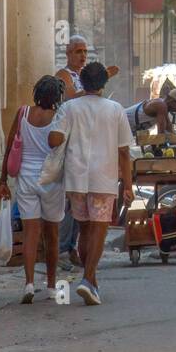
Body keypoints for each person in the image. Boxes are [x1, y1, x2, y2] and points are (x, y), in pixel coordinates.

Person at [48, 62, 134, 305]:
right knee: (99, 228)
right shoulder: (115, 109)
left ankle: (91, 281)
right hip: (103, 177)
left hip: (76, 178)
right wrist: (127, 185)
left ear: (81, 82)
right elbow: (124, 151)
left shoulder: (69, 108)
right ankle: (87, 279)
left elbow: (55, 138)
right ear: (104, 84)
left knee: (84, 229)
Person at [0, 76, 65, 304]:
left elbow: (9, 146)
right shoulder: (59, 116)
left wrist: (2, 181)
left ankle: (28, 284)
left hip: (25, 178)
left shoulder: (23, 113)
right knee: (52, 235)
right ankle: (51, 286)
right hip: (51, 180)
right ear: (57, 96)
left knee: (30, 234)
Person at [56, 36, 120, 102]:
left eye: (85, 51)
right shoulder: (63, 74)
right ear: (68, 54)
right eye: (79, 51)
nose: (83, 55)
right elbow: (71, 99)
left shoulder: (88, 71)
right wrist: (101, 78)